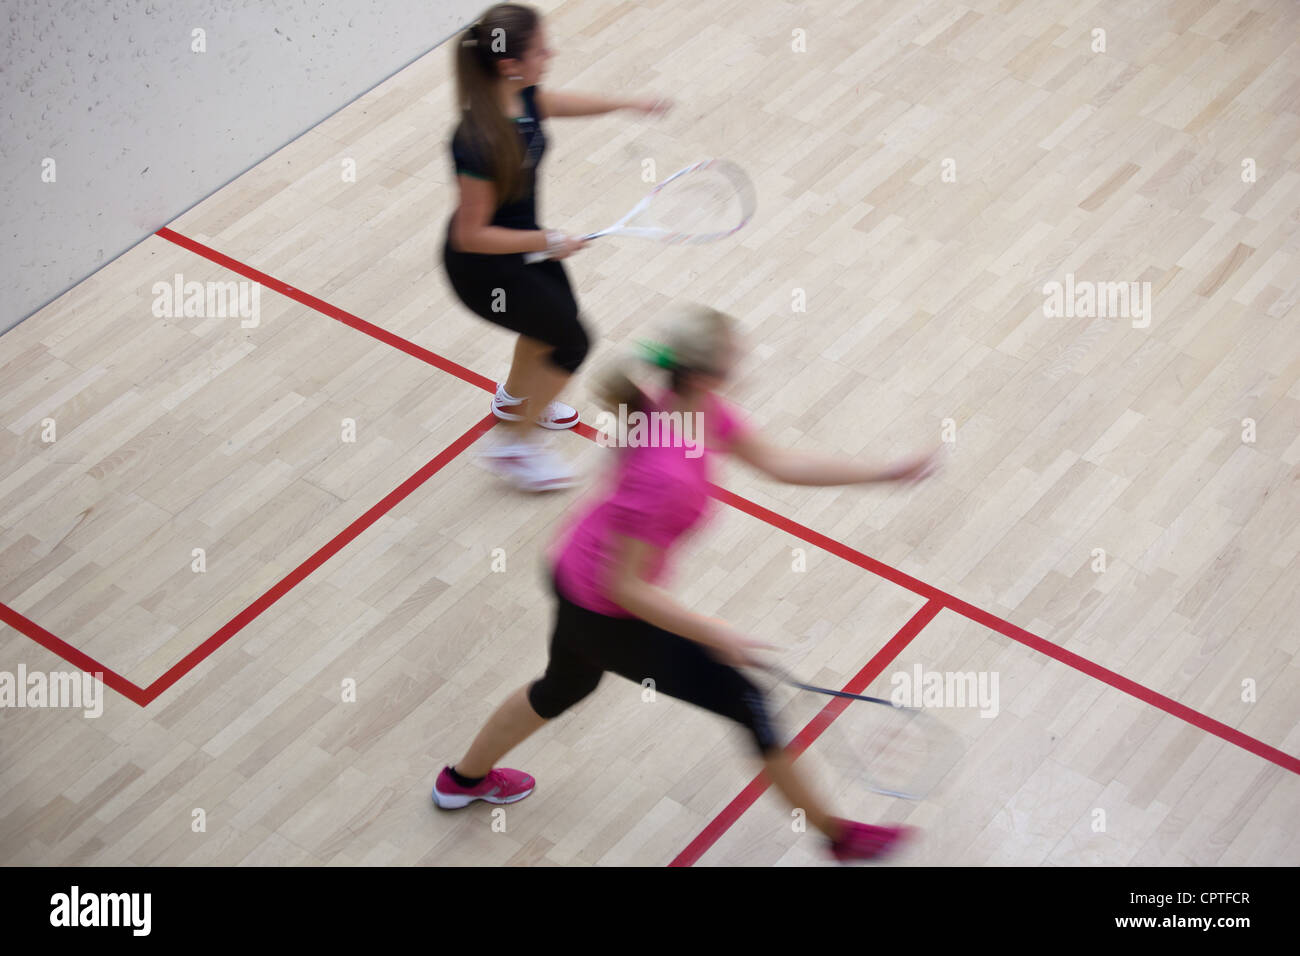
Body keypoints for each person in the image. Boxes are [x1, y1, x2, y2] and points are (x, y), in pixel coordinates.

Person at [433, 304, 944, 862]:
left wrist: (882, 472)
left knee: (564, 686)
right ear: (703, 373)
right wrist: (711, 631)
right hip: (605, 605)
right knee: (749, 704)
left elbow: (778, 463)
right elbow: (625, 586)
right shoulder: (666, 473)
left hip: (573, 569)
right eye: (733, 356)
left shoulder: (692, 408)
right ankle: (839, 838)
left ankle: (463, 780)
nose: (743, 361)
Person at [443, 2, 669, 490]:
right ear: (510, 64)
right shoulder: (478, 139)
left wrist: (626, 104)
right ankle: (514, 448)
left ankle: (514, 400)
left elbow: (557, 103)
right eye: (541, 50)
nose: (551, 54)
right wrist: (547, 240)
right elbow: (470, 234)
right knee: (571, 341)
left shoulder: (519, 97)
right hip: (486, 268)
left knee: (550, 322)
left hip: (522, 249)